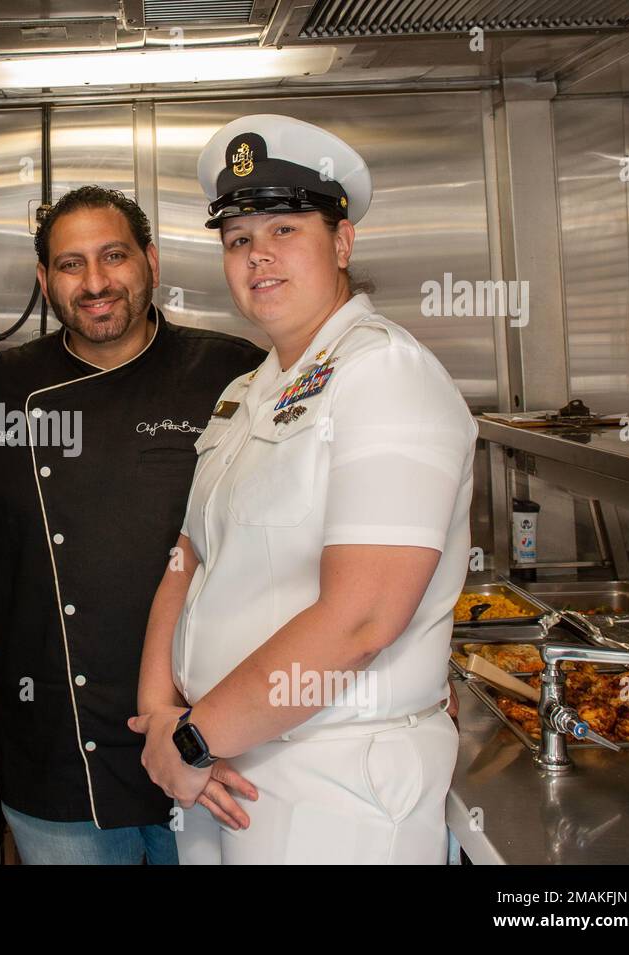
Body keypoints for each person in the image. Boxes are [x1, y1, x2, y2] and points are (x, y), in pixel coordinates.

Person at [132, 115, 477, 865]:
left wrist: (192, 738)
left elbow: (362, 617)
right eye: (237, 240)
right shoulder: (247, 391)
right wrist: (162, 713)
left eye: (284, 229)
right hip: (224, 767)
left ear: (342, 242)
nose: (258, 256)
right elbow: (187, 556)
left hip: (335, 784)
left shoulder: (385, 376)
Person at [0, 186, 267, 865]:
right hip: (54, 755)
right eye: (71, 264)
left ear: (152, 262)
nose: (97, 282)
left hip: (211, 743)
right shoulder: (2, 388)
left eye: (115, 256)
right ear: (44, 281)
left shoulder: (234, 373)